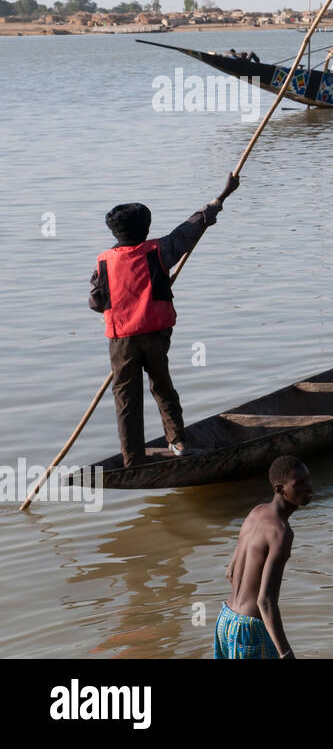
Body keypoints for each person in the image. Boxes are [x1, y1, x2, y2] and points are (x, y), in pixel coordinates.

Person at [90, 174, 239, 466]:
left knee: (126, 399)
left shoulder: (104, 261)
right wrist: (222, 196)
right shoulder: (158, 250)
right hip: (155, 334)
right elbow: (192, 228)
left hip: (121, 340)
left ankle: (132, 459)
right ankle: (178, 442)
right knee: (162, 387)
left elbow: (96, 302)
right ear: (144, 229)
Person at [215, 455, 314, 659]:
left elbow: (230, 572)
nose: (309, 487)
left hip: (225, 619)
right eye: (300, 483)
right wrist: (286, 653)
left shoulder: (256, 512)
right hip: (250, 630)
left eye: (308, 479)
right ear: (280, 489)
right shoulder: (281, 532)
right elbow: (265, 601)